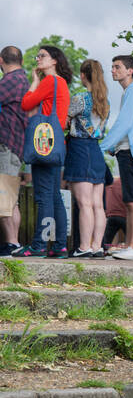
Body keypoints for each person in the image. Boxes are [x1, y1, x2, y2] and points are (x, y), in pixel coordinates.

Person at [17, 44, 72, 258]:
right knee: (55, 196)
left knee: (43, 197)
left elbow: (26, 103)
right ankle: (59, 246)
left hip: (43, 145)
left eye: (43, 56)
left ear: (54, 60)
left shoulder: (50, 81)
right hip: (56, 145)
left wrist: (34, 81)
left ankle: (39, 245)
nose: (38, 59)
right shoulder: (63, 84)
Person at [99, 54, 133, 260]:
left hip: (132, 154)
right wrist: (115, 147)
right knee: (130, 202)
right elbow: (129, 126)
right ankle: (130, 246)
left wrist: (103, 146)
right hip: (127, 152)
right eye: (112, 67)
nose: (113, 70)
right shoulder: (131, 93)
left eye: (117, 67)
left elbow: (125, 123)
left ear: (130, 71)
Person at [65, 59, 110, 257]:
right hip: (96, 152)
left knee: (84, 204)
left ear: (83, 75)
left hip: (79, 150)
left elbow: (65, 121)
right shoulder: (105, 102)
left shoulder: (80, 98)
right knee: (97, 205)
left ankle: (83, 247)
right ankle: (97, 246)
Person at [0, 46, 27, 255]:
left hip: (7, 145)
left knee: (5, 195)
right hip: (15, 145)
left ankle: (12, 243)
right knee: (10, 196)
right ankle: (13, 242)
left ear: (1, 60)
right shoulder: (23, 80)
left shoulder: (11, 80)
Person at [102, 172, 127, 251]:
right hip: (124, 217)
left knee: (106, 242)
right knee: (130, 240)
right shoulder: (125, 184)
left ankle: (105, 250)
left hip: (111, 216)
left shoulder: (109, 185)